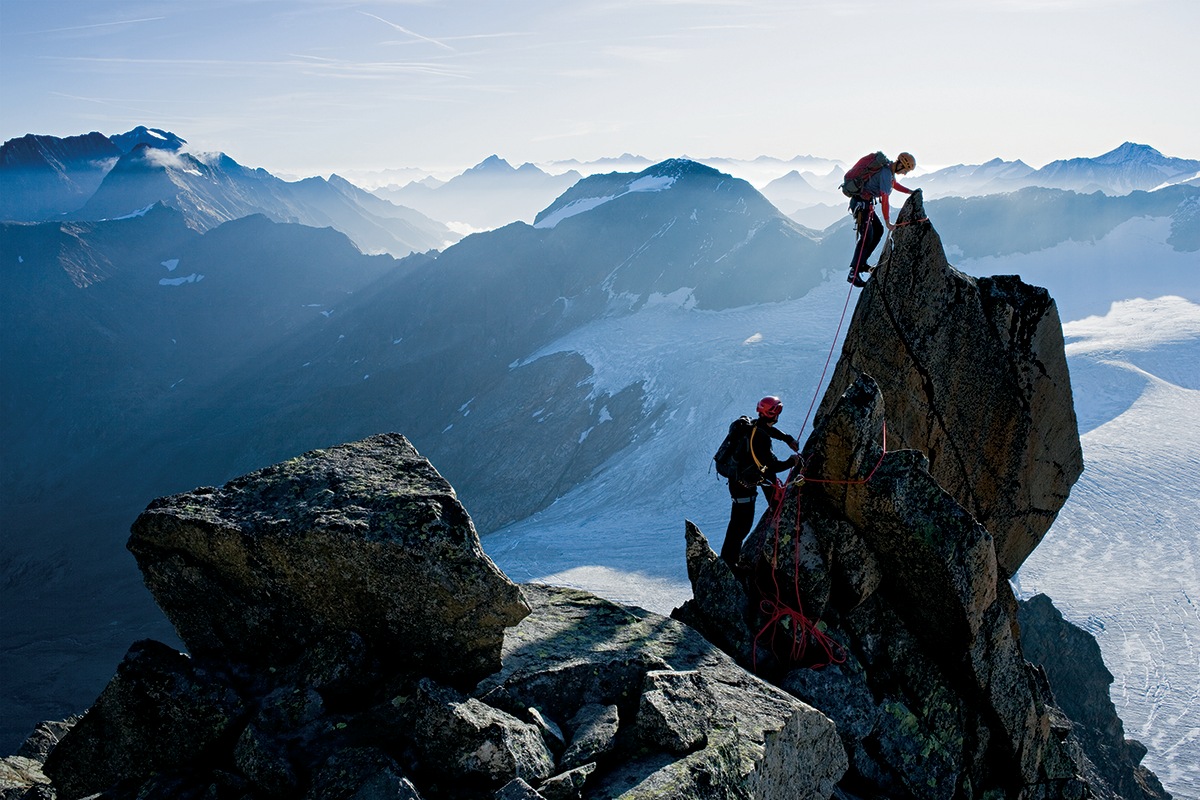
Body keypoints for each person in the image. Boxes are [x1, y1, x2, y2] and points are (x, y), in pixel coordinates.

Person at [720, 395, 800, 567]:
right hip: (743, 486)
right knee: (741, 524)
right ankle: (729, 562)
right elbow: (771, 466)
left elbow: (769, 430)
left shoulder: (756, 426)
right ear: (774, 414)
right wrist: (791, 462)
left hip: (739, 482)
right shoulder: (761, 437)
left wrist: (788, 438)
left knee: (739, 523)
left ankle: (729, 560)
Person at [847, 151, 917, 287]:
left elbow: (894, 185)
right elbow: (885, 198)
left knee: (877, 231)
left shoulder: (889, 171)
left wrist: (910, 192)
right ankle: (853, 272)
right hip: (861, 205)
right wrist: (887, 222)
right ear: (901, 165)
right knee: (867, 236)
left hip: (865, 204)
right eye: (905, 170)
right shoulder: (886, 172)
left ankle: (861, 264)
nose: (905, 173)